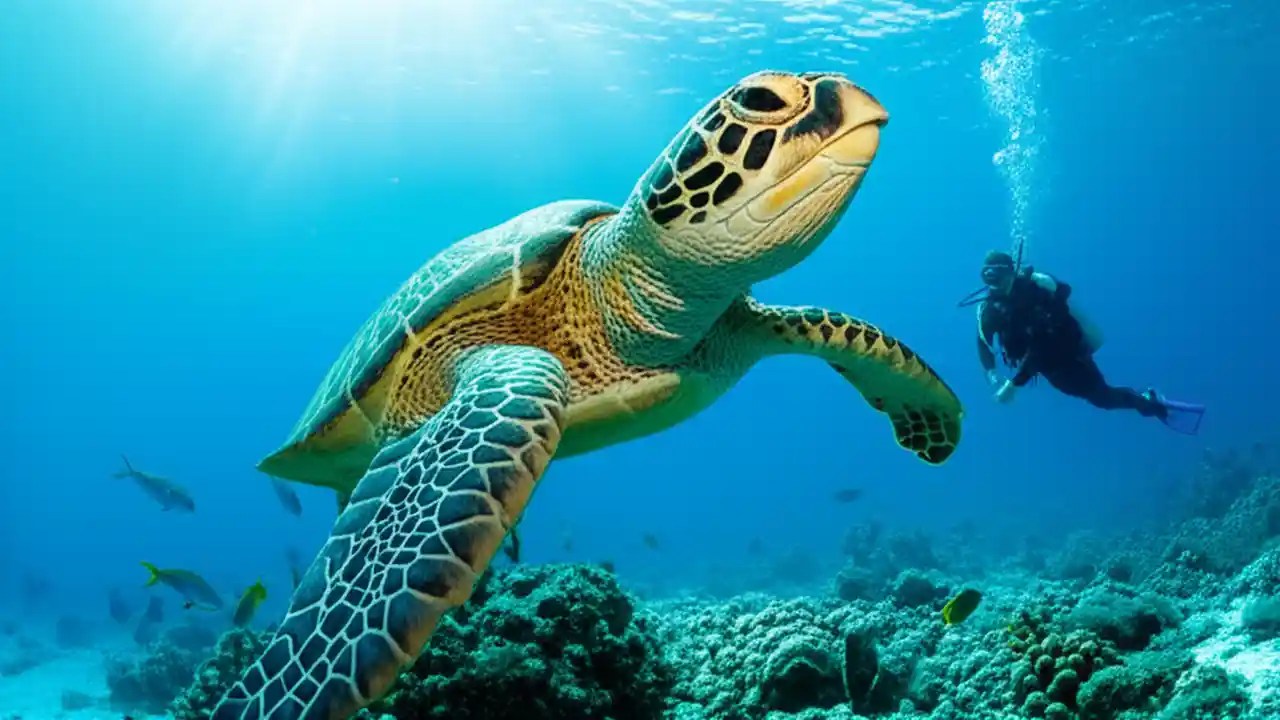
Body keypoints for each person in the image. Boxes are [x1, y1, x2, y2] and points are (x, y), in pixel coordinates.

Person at [972, 250, 1171, 420]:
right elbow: (983, 342)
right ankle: (1144, 402)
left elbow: (1042, 346)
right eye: (989, 278)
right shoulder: (990, 310)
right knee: (1099, 397)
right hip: (1046, 366)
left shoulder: (1035, 292)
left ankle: (1146, 402)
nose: (996, 285)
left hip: (1067, 351)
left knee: (1101, 396)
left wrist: (1014, 384)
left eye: (999, 277)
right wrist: (991, 372)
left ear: (1012, 272)